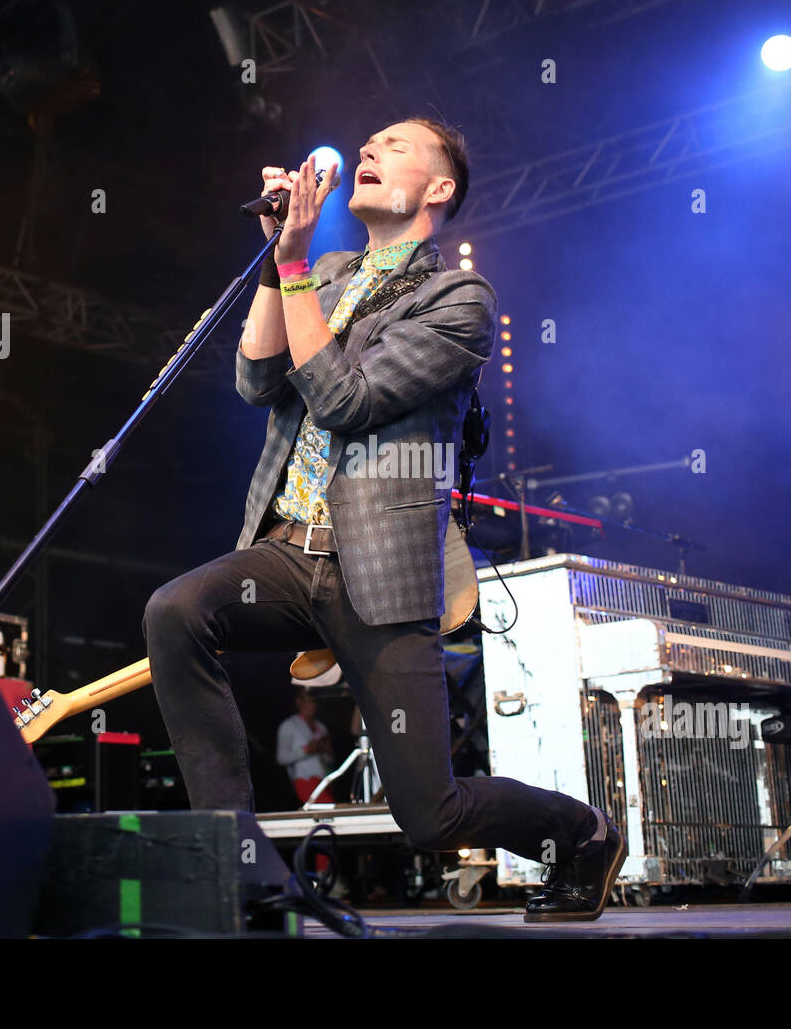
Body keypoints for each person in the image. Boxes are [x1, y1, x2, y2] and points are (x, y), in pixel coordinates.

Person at [144, 118, 625, 920]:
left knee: (428, 813)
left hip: (383, 571)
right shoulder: (324, 272)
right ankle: (232, 861)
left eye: (394, 146)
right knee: (176, 611)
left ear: (439, 189)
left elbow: (344, 398)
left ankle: (580, 833)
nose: (367, 151)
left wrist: (293, 266)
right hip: (289, 553)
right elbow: (258, 381)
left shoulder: (460, 300)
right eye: (367, 143)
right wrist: (281, 259)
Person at [276, 688, 334, 805]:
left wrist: (325, 750)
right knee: (326, 810)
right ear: (299, 701)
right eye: (309, 700)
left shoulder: (321, 727)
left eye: (314, 700)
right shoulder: (289, 725)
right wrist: (306, 750)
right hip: (305, 780)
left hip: (325, 780)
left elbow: (330, 758)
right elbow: (281, 758)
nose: (312, 704)